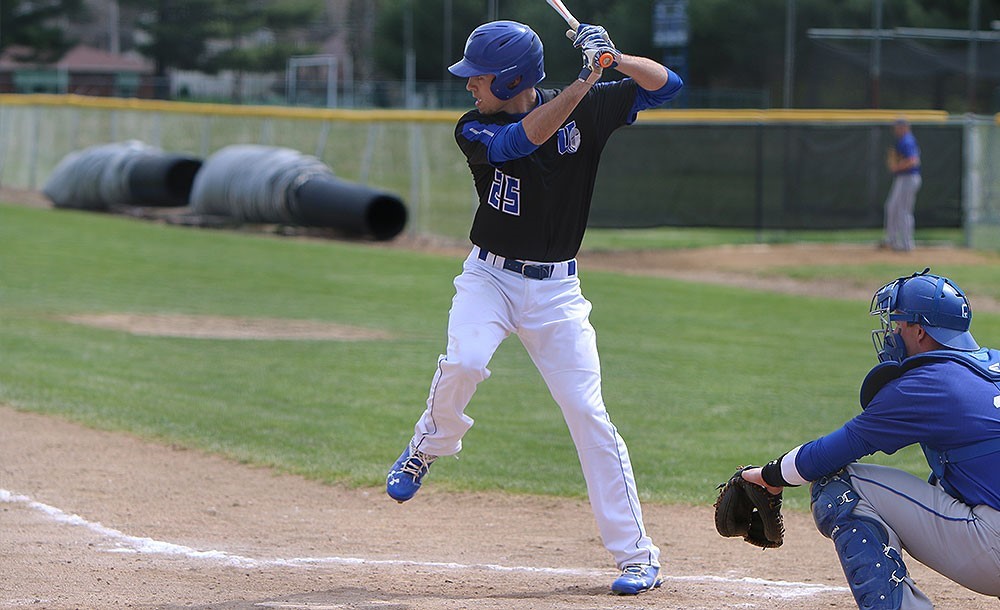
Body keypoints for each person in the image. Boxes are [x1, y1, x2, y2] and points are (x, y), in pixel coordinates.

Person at [384, 20, 683, 595]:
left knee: (589, 415)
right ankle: (428, 444)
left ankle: (637, 557)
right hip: (490, 278)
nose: (469, 85)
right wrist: (585, 81)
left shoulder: (589, 105)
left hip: (557, 294)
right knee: (465, 361)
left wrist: (614, 58)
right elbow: (521, 142)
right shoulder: (475, 127)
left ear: (511, 78)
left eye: (479, 76)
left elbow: (667, 86)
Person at [741, 269, 1000, 610]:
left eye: (899, 323)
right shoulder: (993, 362)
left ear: (919, 331)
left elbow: (831, 452)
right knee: (946, 477)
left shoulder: (928, 383)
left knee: (838, 484)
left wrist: (770, 476)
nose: (892, 333)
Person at [882, 118, 922, 251]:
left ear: (904, 127)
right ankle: (892, 240)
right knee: (891, 207)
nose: (895, 129)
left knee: (904, 211)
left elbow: (913, 161)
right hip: (902, 178)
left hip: (908, 178)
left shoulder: (907, 140)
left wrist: (897, 167)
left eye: (898, 127)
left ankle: (907, 244)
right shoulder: (903, 140)